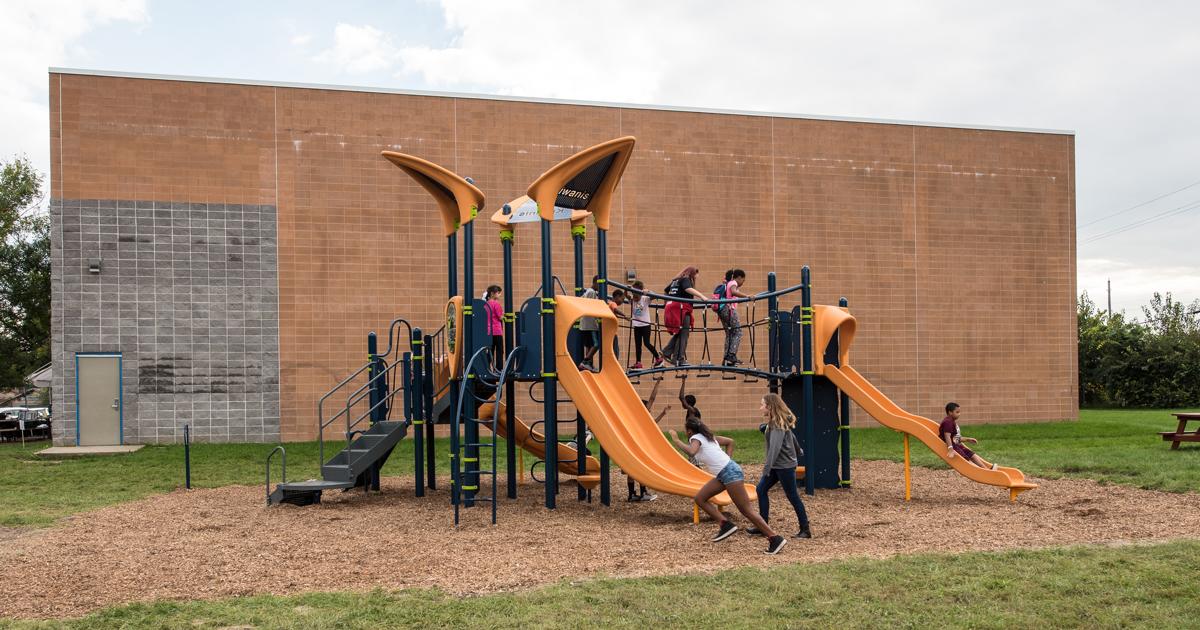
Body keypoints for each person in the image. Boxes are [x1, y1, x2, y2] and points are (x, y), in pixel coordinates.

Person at [669, 418, 787, 555]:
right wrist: (728, 460)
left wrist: (676, 440)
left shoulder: (695, 438)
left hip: (729, 473)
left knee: (746, 510)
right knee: (700, 498)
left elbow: (691, 452)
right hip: (724, 473)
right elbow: (730, 442)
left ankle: (774, 538)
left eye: (686, 431)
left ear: (689, 431)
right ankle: (725, 524)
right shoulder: (709, 437)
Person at [746, 394, 812, 539]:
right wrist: (798, 449)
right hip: (778, 465)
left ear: (769, 406)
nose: (760, 407)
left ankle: (805, 529)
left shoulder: (776, 424)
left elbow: (774, 449)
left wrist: (767, 468)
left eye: (762, 404)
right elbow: (792, 436)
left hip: (784, 466)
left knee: (792, 496)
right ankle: (763, 526)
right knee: (761, 489)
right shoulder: (776, 422)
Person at [629, 380, 669, 502]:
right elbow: (652, 398)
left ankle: (631, 495)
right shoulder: (643, 415)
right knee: (641, 469)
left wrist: (662, 414)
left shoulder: (635, 417)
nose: (650, 410)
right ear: (644, 408)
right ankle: (643, 493)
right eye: (649, 409)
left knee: (631, 469)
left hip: (631, 444)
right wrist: (658, 382)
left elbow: (653, 425)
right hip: (640, 445)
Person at [662, 267, 707, 366]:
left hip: (672, 307)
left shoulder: (676, 281)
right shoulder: (685, 279)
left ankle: (667, 352)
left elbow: (666, 291)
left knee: (680, 332)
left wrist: (666, 303)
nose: (696, 277)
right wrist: (702, 296)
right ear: (691, 273)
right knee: (684, 334)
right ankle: (679, 359)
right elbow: (688, 288)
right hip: (681, 308)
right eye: (696, 274)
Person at [940, 402, 999, 470]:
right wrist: (950, 449)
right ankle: (982, 471)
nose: (959, 414)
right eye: (957, 412)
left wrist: (967, 439)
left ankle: (986, 469)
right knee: (965, 458)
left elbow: (955, 438)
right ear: (950, 412)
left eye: (959, 412)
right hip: (951, 446)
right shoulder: (948, 422)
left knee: (970, 453)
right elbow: (947, 436)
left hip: (955, 444)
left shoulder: (951, 421)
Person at [716, 269, 750, 367]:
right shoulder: (733, 283)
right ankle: (731, 355)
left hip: (722, 310)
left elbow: (733, 296)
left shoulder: (728, 284)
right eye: (743, 280)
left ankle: (726, 359)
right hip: (729, 310)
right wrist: (747, 296)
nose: (742, 283)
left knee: (729, 334)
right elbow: (734, 292)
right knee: (738, 332)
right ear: (739, 278)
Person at [629, 280, 663, 369]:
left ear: (640, 293)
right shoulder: (633, 300)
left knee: (646, 343)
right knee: (637, 345)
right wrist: (627, 289)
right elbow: (626, 295)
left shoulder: (645, 299)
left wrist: (647, 291)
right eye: (633, 293)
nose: (634, 296)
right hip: (636, 325)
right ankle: (638, 362)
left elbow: (654, 295)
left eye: (636, 294)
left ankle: (658, 358)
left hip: (645, 325)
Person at [578, 275, 602, 371]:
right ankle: (585, 361)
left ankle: (589, 364)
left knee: (589, 345)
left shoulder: (587, 291)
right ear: (596, 282)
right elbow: (592, 307)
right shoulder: (592, 292)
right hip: (591, 323)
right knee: (597, 344)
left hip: (585, 323)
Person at [484, 285, 504, 370]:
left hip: (489, 331)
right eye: (498, 293)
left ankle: (488, 368)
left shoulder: (485, 305)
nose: (499, 295)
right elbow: (500, 317)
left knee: (490, 351)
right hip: (497, 331)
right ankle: (499, 369)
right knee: (499, 351)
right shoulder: (496, 304)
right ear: (492, 293)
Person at [607, 288, 629, 365]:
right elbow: (615, 309)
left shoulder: (609, 304)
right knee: (615, 351)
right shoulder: (613, 303)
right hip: (612, 333)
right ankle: (614, 364)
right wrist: (625, 316)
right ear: (617, 297)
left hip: (609, 333)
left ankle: (612, 363)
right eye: (622, 299)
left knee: (614, 350)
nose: (622, 301)